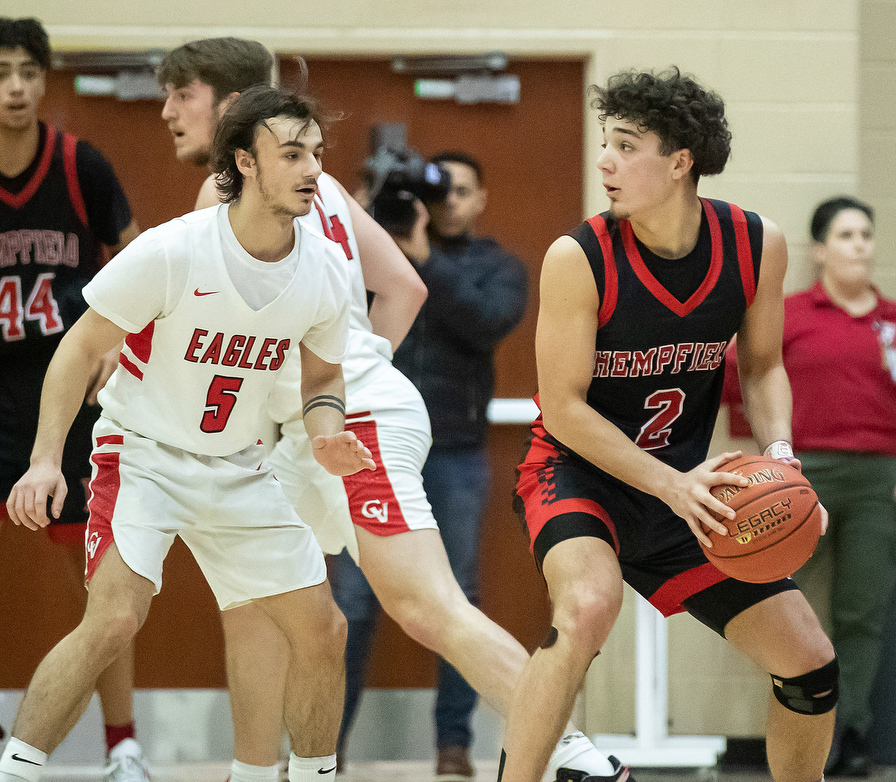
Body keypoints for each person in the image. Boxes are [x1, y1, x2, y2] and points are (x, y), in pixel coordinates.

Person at [158, 38, 621, 782]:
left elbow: (228, 342)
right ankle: (257, 771)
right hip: (305, 435)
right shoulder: (327, 188)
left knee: (429, 607)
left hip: (355, 421)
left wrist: (344, 377)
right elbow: (406, 288)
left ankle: (576, 757)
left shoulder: (231, 197)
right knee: (250, 600)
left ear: (230, 104)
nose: (168, 110)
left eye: (183, 94)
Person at [0, 86, 378, 782]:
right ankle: (18, 768)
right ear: (247, 161)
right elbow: (81, 348)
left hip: (239, 463)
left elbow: (324, 378)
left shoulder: (324, 267)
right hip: (142, 454)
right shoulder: (174, 250)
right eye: (292, 154)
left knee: (324, 629)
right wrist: (45, 461)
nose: (312, 170)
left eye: (317, 154)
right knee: (114, 619)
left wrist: (327, 432)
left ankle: (315, 775)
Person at [505, 68, 839, 782]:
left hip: (687, 490)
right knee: (587, 607)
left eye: (626, 146)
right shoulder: (579, 257)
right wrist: (671, 484)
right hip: (577, 472)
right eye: (605, 144)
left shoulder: (756, 244)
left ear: (680, 159)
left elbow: (763, 366)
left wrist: (779, 454)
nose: (604, 162)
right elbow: (562, 407)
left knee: (810, 666)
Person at [334, 150, 529, 778]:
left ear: (479, 200)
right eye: (433, 190)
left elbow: (487, 319)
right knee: (353, 601)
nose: (445, 201)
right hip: (368, 448)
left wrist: (420, 259)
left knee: (457, 600)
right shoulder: (362, 254)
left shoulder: (494, 265)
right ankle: (323, 749)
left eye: (459, 191)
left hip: (454, 451)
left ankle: (454, 747)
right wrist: (363, 228)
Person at [0, 17, 147, 782]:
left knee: (101, 581)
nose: (16, 86)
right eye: (2, 71)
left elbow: (139, 267)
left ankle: (123, 744)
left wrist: (115, 348)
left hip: (67, 391)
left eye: (28, 71)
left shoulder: (80, 165)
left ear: (45, 79)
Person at [780, 197, 896, 777]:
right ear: (819, 249)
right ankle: (803, 730)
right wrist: (767, 464)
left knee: (861, 613)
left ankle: (849, 730)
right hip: (806, 479)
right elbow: (740, 383)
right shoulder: (790, 316)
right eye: (846, 235)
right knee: (786, 608)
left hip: (881, 481)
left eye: (866, 234)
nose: (860, 245)